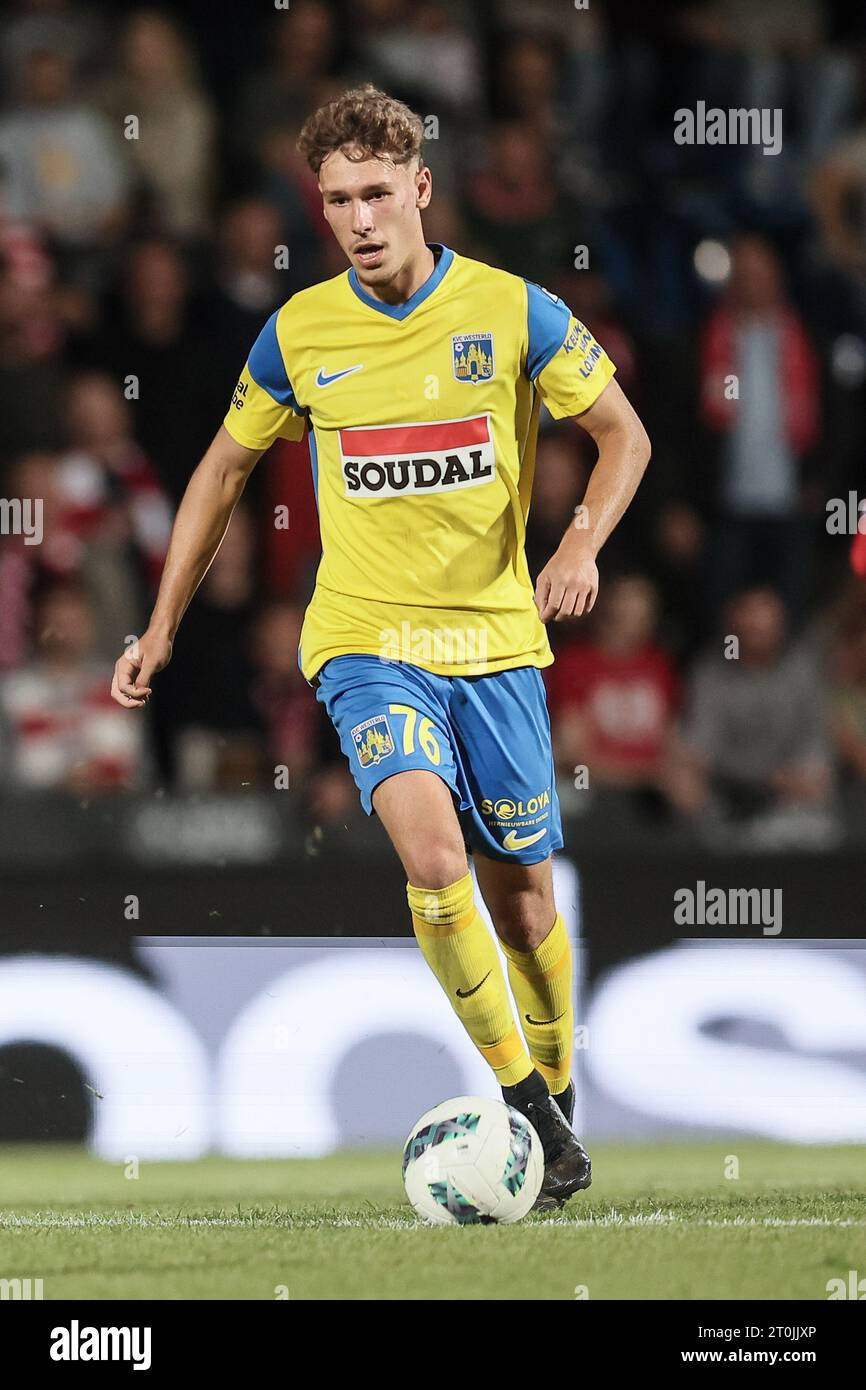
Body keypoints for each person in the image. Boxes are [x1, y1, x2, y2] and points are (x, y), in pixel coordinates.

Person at [110, 85, 651, 1211]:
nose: (357, 219)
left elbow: (621, 436)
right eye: (335, 199)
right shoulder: (299, 331)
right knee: (432, 856)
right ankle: (528, 1105)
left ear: (419, 188)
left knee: (528, 910)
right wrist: (159, 624)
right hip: (363, 640)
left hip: (496, 644)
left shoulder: (512, 311)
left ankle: (552, 1084)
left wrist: (580, 545)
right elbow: (220, 470)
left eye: (373, 193)